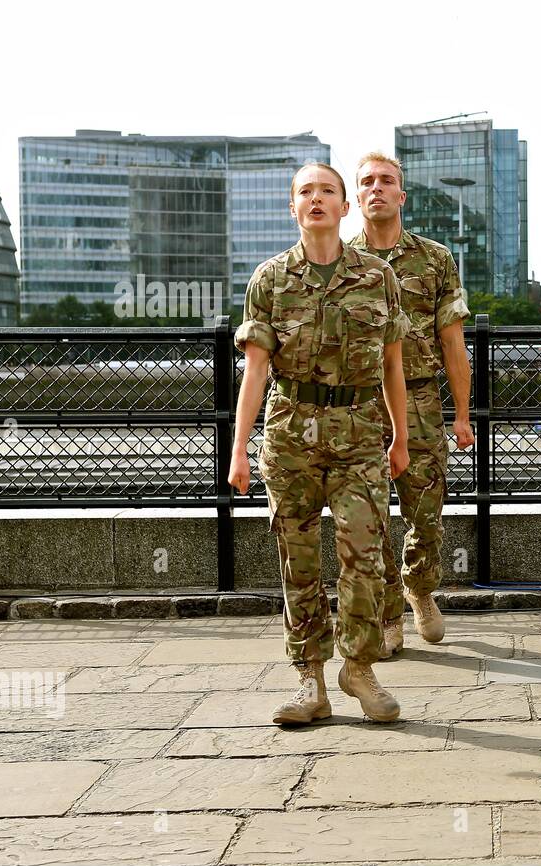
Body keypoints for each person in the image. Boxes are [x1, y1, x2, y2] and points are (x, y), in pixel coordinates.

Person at [228, 162, 411, 725]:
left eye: (327, 191)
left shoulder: (377, 276)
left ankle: (359, 667)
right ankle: (310, 680)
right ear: (293, 207)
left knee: (365, 554)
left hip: (360, 432)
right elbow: (255, 371)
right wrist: (239, 448)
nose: (316, 199)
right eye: (305, 192)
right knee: (298, 560)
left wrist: (401, 437)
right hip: (291, 434)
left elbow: (393, 363)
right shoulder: (270, 279)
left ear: (343, 207)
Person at [347, 152, 475, 656]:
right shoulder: (342, 259)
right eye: (367, 182)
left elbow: (453, 341)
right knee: (369, 516)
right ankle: (387, 612)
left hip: (420, 399)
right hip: (360, 405)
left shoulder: (434, 259)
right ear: (356, 198)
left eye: (386, 181)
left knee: (426, 514)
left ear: (402, 195)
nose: (376, 188)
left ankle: (418, 587)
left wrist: (461, 414)